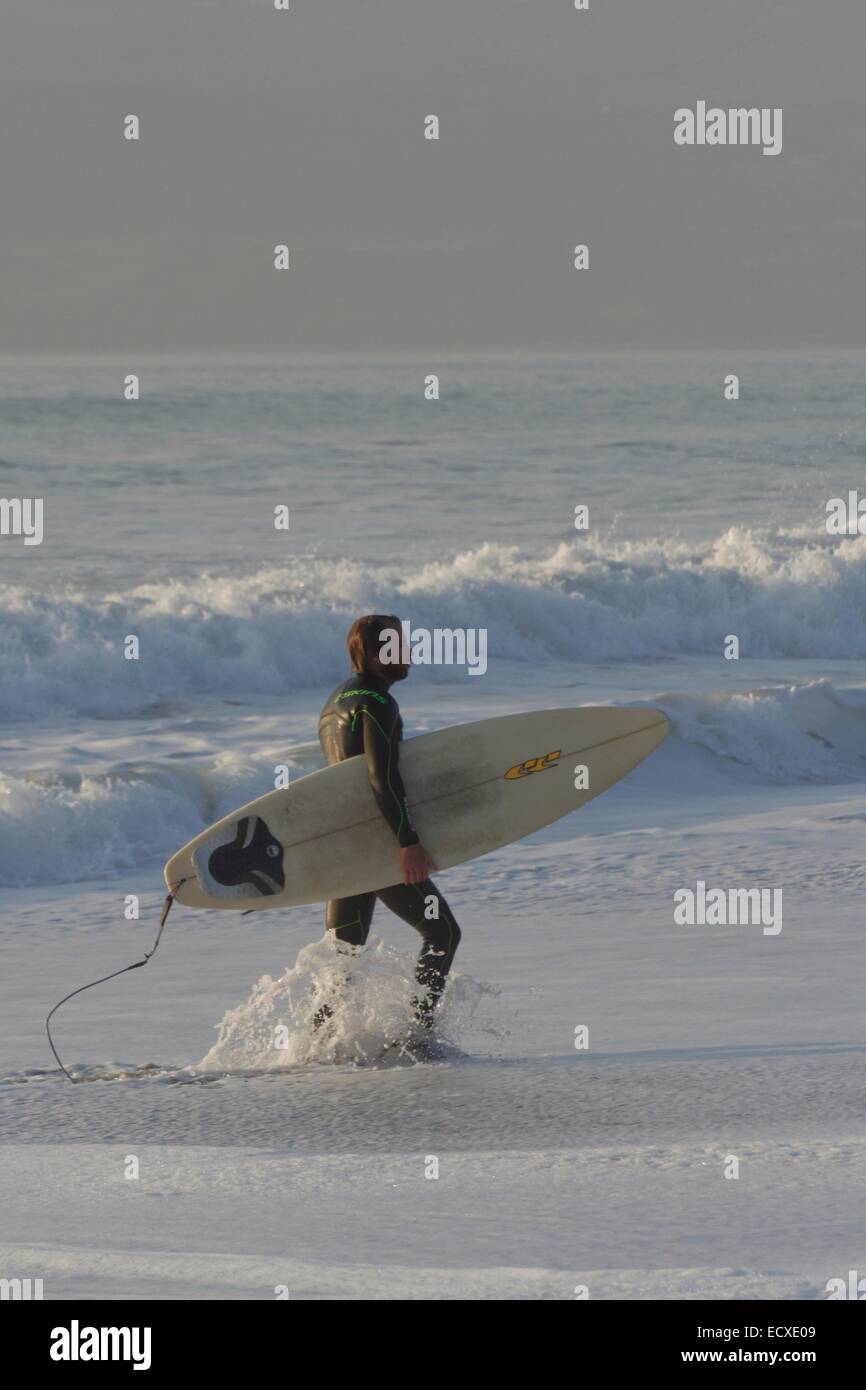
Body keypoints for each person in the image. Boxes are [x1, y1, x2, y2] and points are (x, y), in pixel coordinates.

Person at [316, 614, 461, 1035]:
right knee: (443, 933)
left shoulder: (336, 701)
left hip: (342, 843)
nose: (410, 654)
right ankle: (416, 1033)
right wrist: (407, 841)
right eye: (400, 647)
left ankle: (312, 1050)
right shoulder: (378, 702)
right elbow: (381, 778)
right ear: (379, 655)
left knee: (344, 954)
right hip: (376, 839)